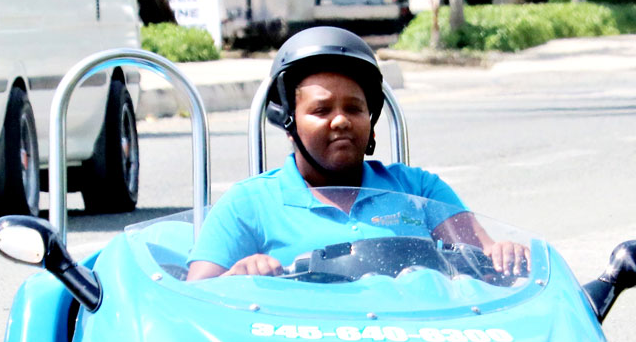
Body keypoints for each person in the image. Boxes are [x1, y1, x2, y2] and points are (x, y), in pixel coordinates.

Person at [186, 26, 528, 281]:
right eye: (321, 111)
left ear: (371, 121)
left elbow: (481, 261)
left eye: (354, 109)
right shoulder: (250, 202)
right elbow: (194, 296)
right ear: (289, 124)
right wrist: (236, 279)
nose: (340, 121)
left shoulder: (419, 189)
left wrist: (504, 254)